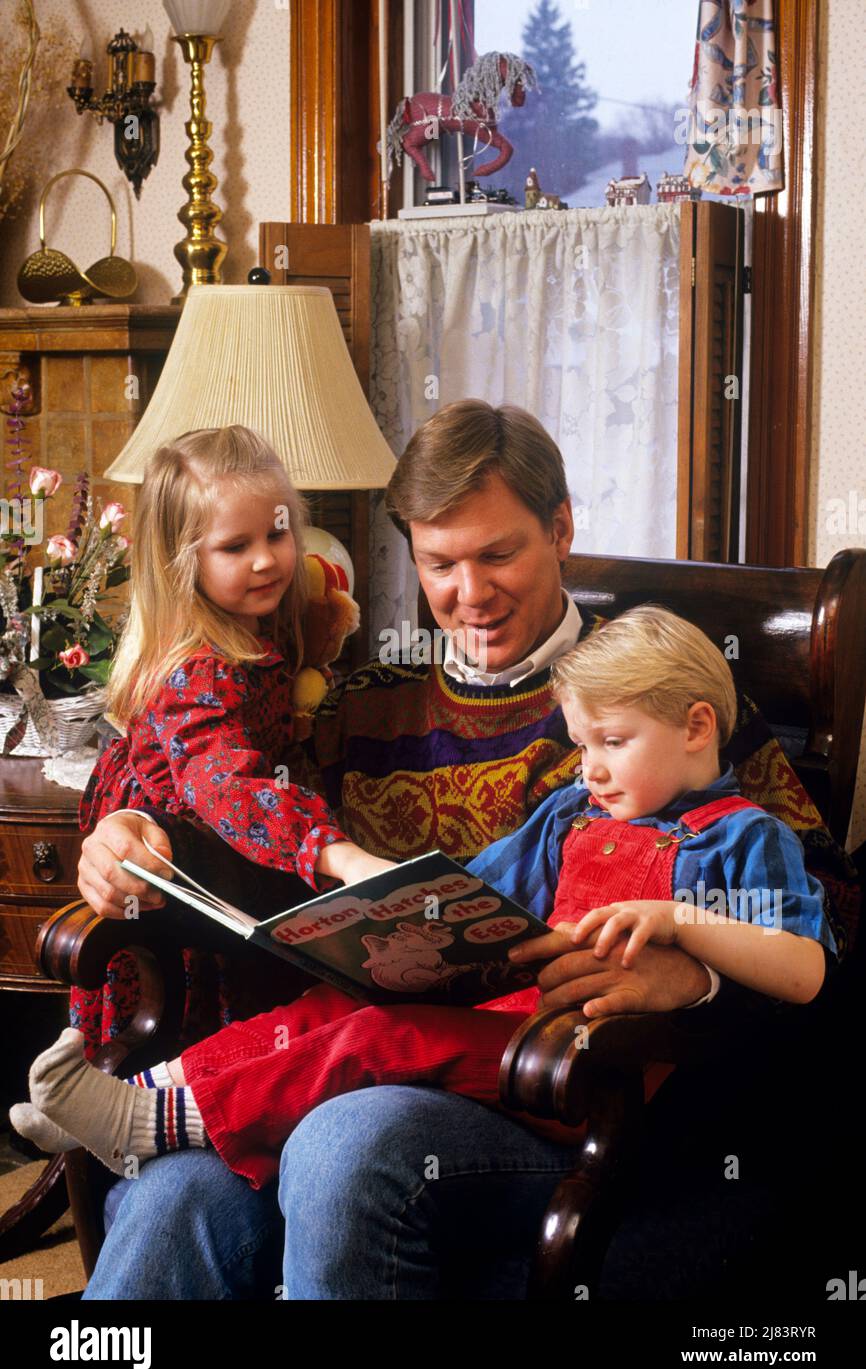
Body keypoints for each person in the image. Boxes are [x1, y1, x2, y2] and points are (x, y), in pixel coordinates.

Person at [67, 400, 854, 1299]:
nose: (469, 594)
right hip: (353, 1055)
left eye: (498, 554)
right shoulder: (360, 702)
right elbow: (247, 822)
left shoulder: (650, 703)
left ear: (561, 530)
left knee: (343, 1145)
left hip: (542, 1095)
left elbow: (823, 906)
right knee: (174, 1196)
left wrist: (693, 976)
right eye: (439, 564)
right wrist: (134, 832)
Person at [15, 607, 836, 1200]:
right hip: (511, 1027)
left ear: (697, 727)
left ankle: (155, 1129)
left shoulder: (746, 836)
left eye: (612, 743)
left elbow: (804, 970)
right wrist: (390, 918)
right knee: (334, 1001)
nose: (589, 767)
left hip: (592, 1071)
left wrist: (678, 924)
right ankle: (150, 1088)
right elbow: (473, 888)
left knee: (381, 1035)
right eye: (582, 745)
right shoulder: (573, 814)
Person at [59, 424, 395, 1058]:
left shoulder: (259, 620)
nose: (266, 559)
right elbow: (227, 787)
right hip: (184, 851)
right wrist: (341, 856)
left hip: (233, 838)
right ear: (182, 562)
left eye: (277, 532)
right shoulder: (198, 668)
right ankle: (116, 1097)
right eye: (234, 546)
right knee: (193, 1005)